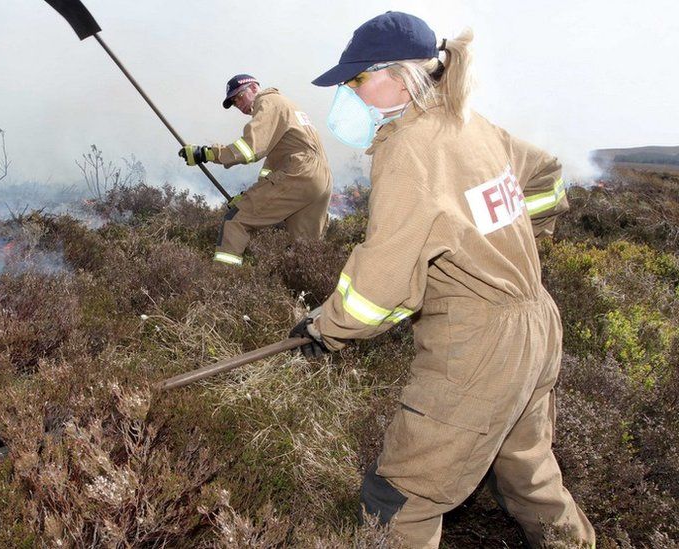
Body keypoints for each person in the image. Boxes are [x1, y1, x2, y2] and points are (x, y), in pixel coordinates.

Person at [288, 11, 595, 549]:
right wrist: (523, 235)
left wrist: (324, 329)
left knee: (400, 499)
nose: (348, 91)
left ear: (397, 74)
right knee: (528, 473)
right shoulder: (469, 122)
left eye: (357, 79)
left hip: (478, 350)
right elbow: (546, 173)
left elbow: (379, 288)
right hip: (536, 324)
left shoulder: (409, 147)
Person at [179, 74, 333, 266]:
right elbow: (271, 171)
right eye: (235, 103)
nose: (239, 105)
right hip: (320, 179)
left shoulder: (268, 101)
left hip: (299, 173)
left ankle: (221, 286)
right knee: (306, 249)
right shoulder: (287, 106)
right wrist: (248, 195)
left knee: (235, 221)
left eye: (239, 97)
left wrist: (207, 153)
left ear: (253, 88)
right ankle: (308, 292)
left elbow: (249, 149)